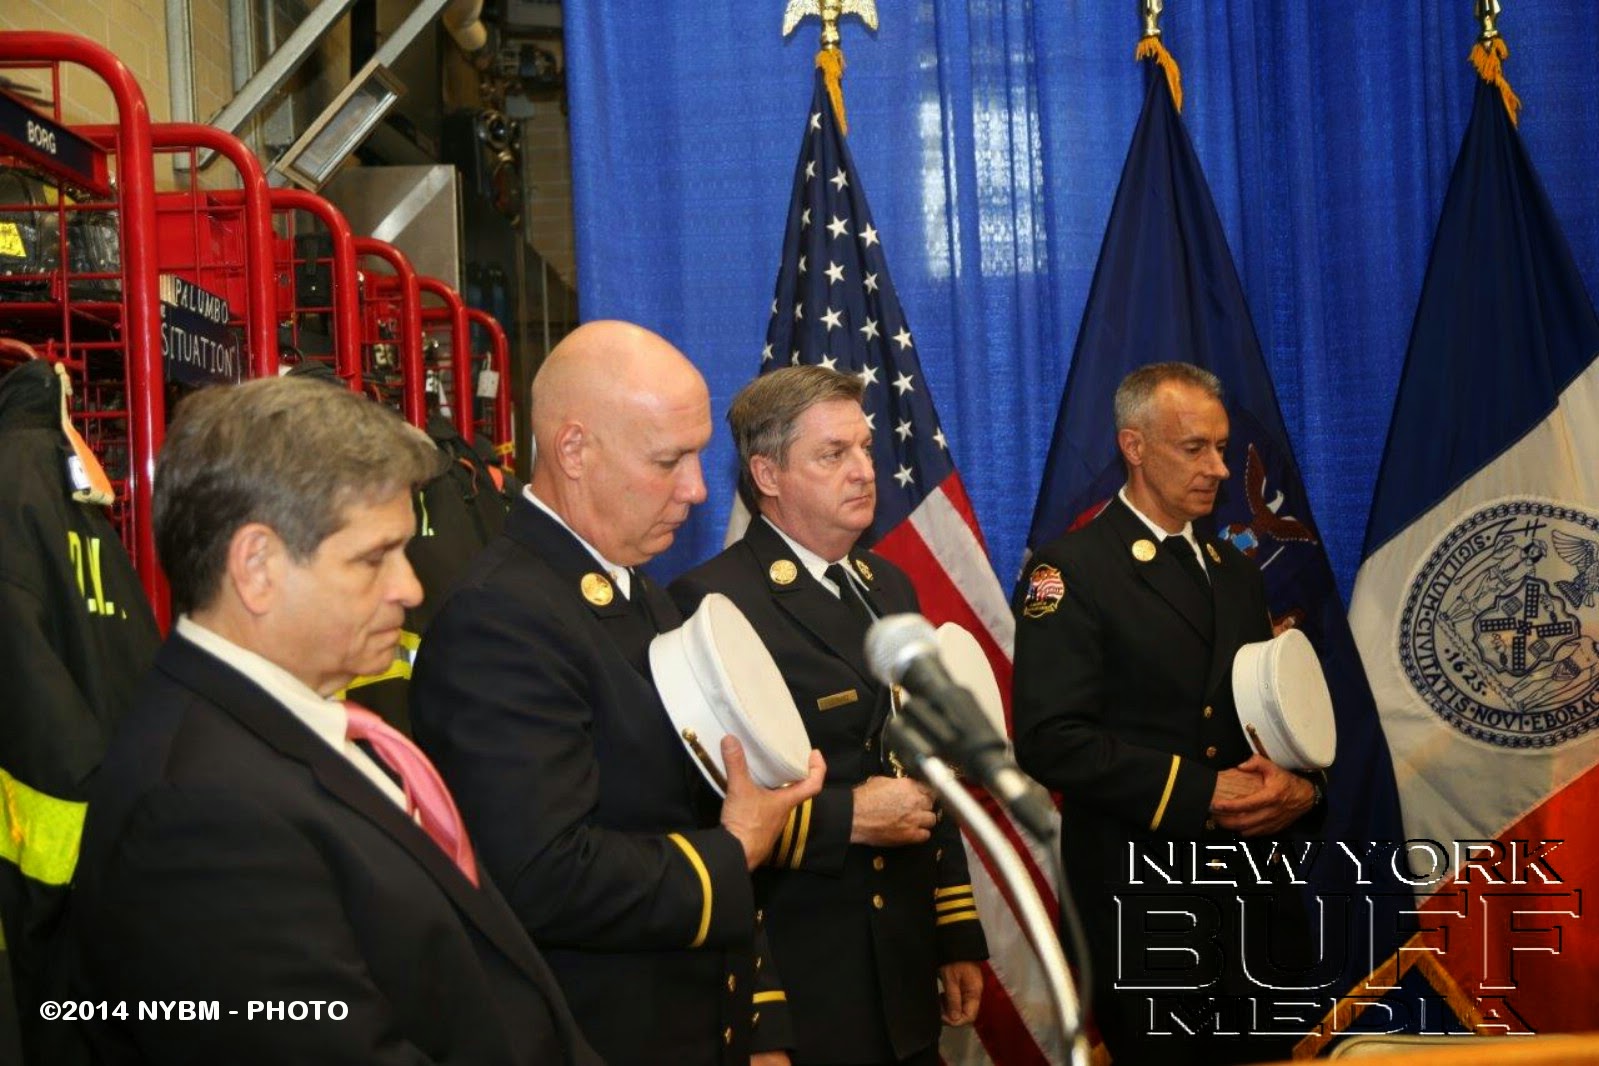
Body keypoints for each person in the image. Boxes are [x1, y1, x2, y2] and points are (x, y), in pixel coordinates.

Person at [65, 376, 599, 1066]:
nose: (410, 587)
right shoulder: (202, 813)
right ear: (256, 567)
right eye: (374, 557)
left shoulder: (310, 725)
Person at [410, 320, 826, 1066]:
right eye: (669, 460)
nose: (697, 489)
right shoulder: (500, 618)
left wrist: (760, 1023)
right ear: (573, 450)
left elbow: (701, 808)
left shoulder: (640, 597)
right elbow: (538, 872)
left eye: (698, 456)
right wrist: (733, 852)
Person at [671, 366, 987, 1066]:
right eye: (832, 454)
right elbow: (699, 808)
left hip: (905, 967)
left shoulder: (887, 584)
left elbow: (924, 762)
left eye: (865, 449)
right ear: (767, 474)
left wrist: (954, 930)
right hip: (806, 974)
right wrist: (849, 817)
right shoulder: (713, 603)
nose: (862, 471)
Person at [1012, 362, 1323, 1065]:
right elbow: (1049, 739)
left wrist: (1301, 791)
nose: (1217, 467)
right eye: (1194, 448)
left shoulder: (1235, 570)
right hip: (1146, 909)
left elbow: (1275, 721)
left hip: (1252, 904)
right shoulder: (1071, 570)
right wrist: (1202, 791)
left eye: (1220, 447)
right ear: (1133, 446)